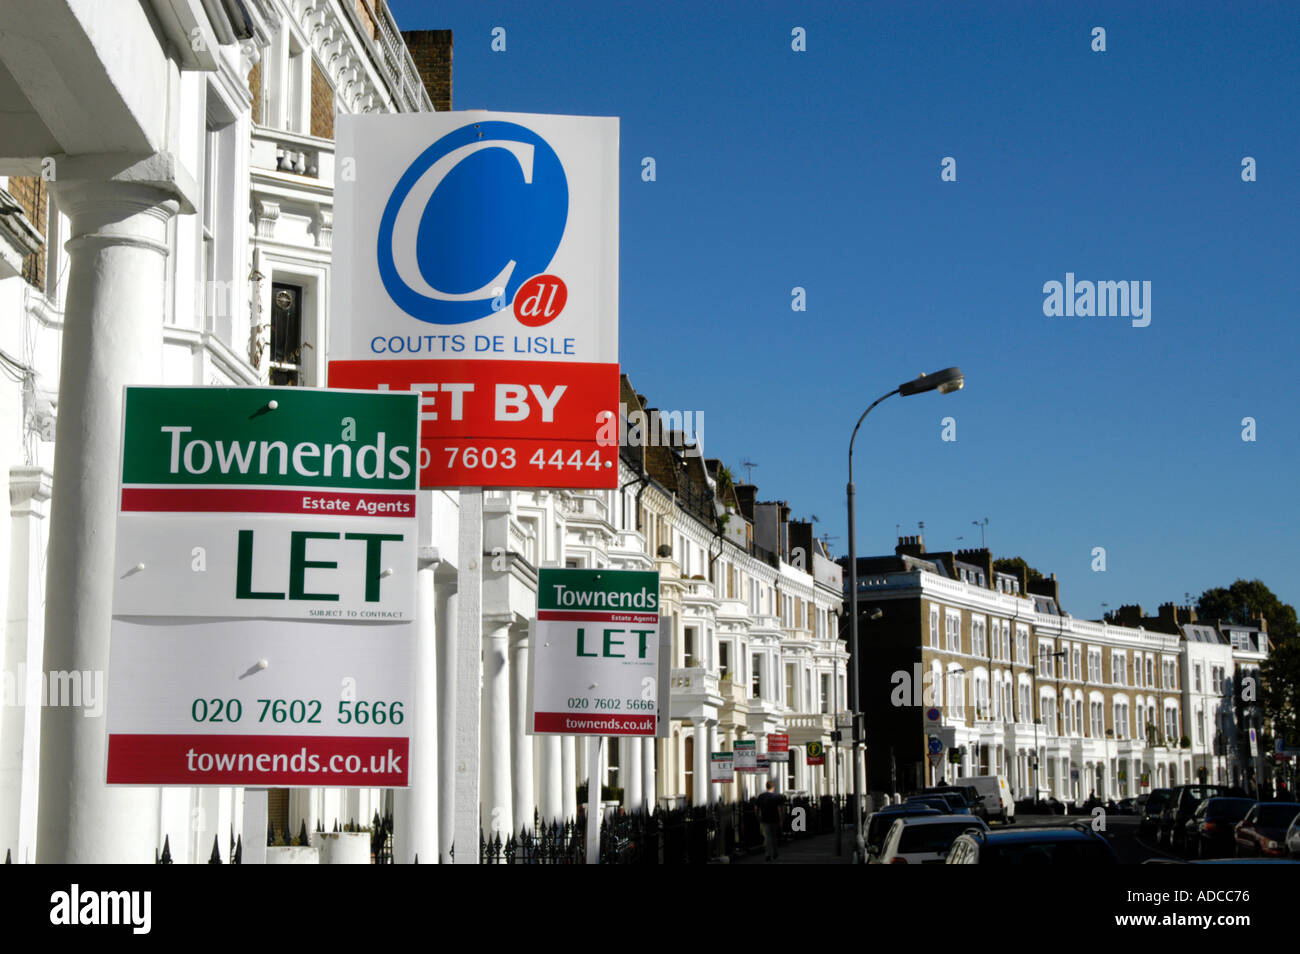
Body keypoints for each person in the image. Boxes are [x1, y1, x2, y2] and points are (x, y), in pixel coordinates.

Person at [756, 781, 783, 861]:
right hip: (775, 819)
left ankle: (767, 854)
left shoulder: (761, 796)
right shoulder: (777, 797)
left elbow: (756, 808)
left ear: (766, 787)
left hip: (765, 819)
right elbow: (780, 809)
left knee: (767, 837)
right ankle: (775, 852)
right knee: (774, 836)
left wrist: (758, 817)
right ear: (773, 787)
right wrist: (781, 819)